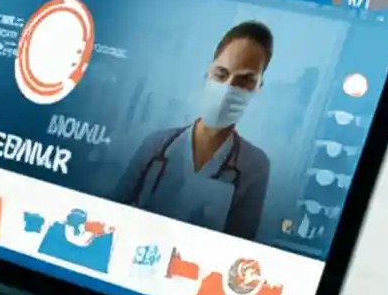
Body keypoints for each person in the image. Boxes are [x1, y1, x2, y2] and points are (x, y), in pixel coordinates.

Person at [112, 21, 272, 240]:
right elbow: (111, 213)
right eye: (221, 74)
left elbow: (240, 247)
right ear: (207, 74)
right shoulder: (156, 145)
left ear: (258, 89)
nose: (228, 89)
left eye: (246, 80)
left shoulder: (255, 166)